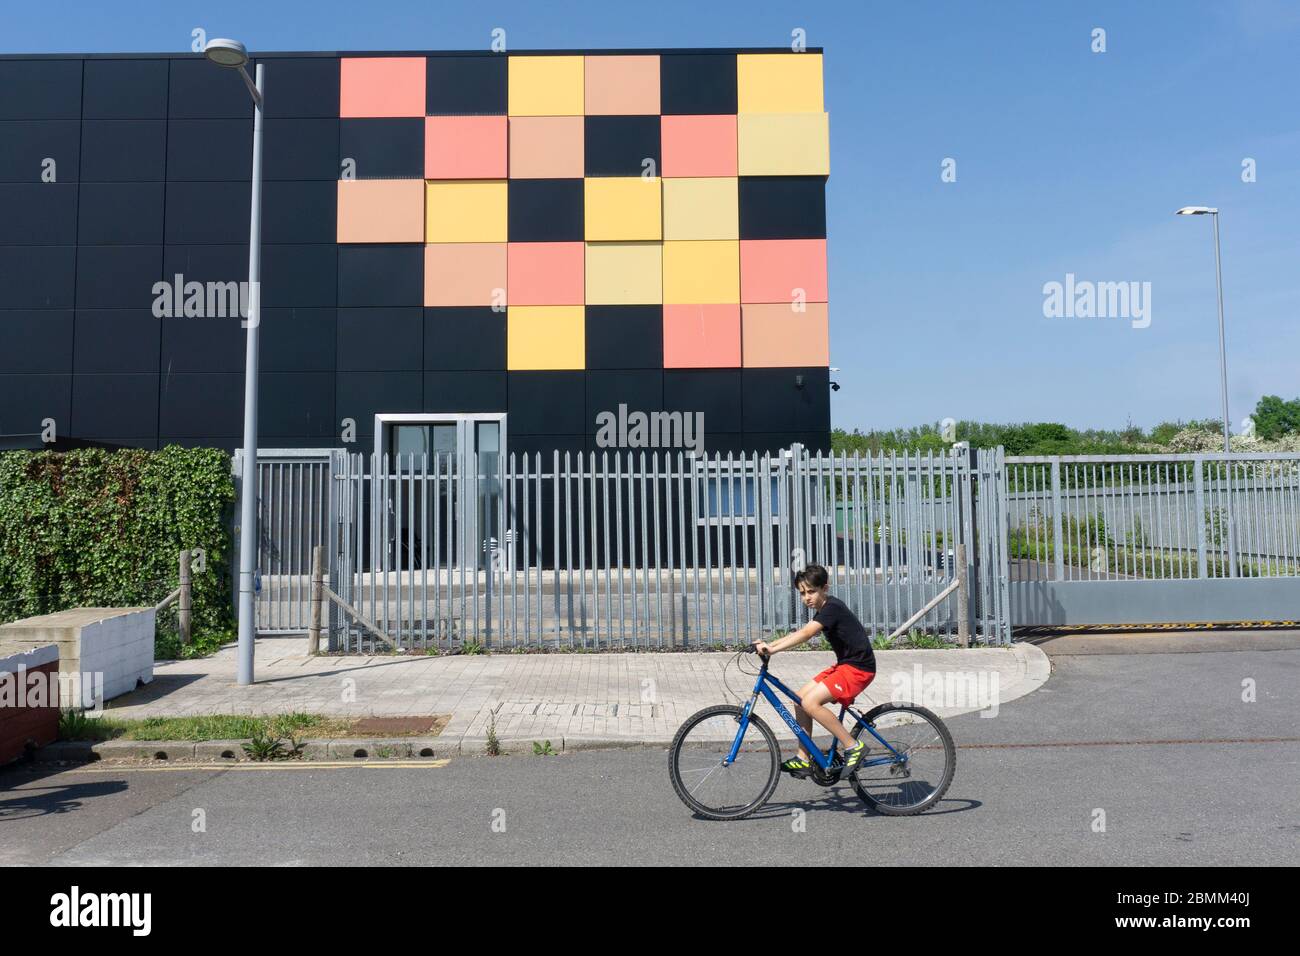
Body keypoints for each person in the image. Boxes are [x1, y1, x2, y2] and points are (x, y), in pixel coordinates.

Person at [753, 564, 876, 778]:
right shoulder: (824, 610)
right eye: (802, 593)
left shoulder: (832, 608)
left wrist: (772, 649)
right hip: (845, 665)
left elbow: (807, 634)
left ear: (824, 588)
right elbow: (800, 632)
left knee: (810, 703)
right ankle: (803, 757)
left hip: (859, 668)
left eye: (811, 591)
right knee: (799, 698)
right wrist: (770, 645)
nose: (806, 598)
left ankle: (852, 746)